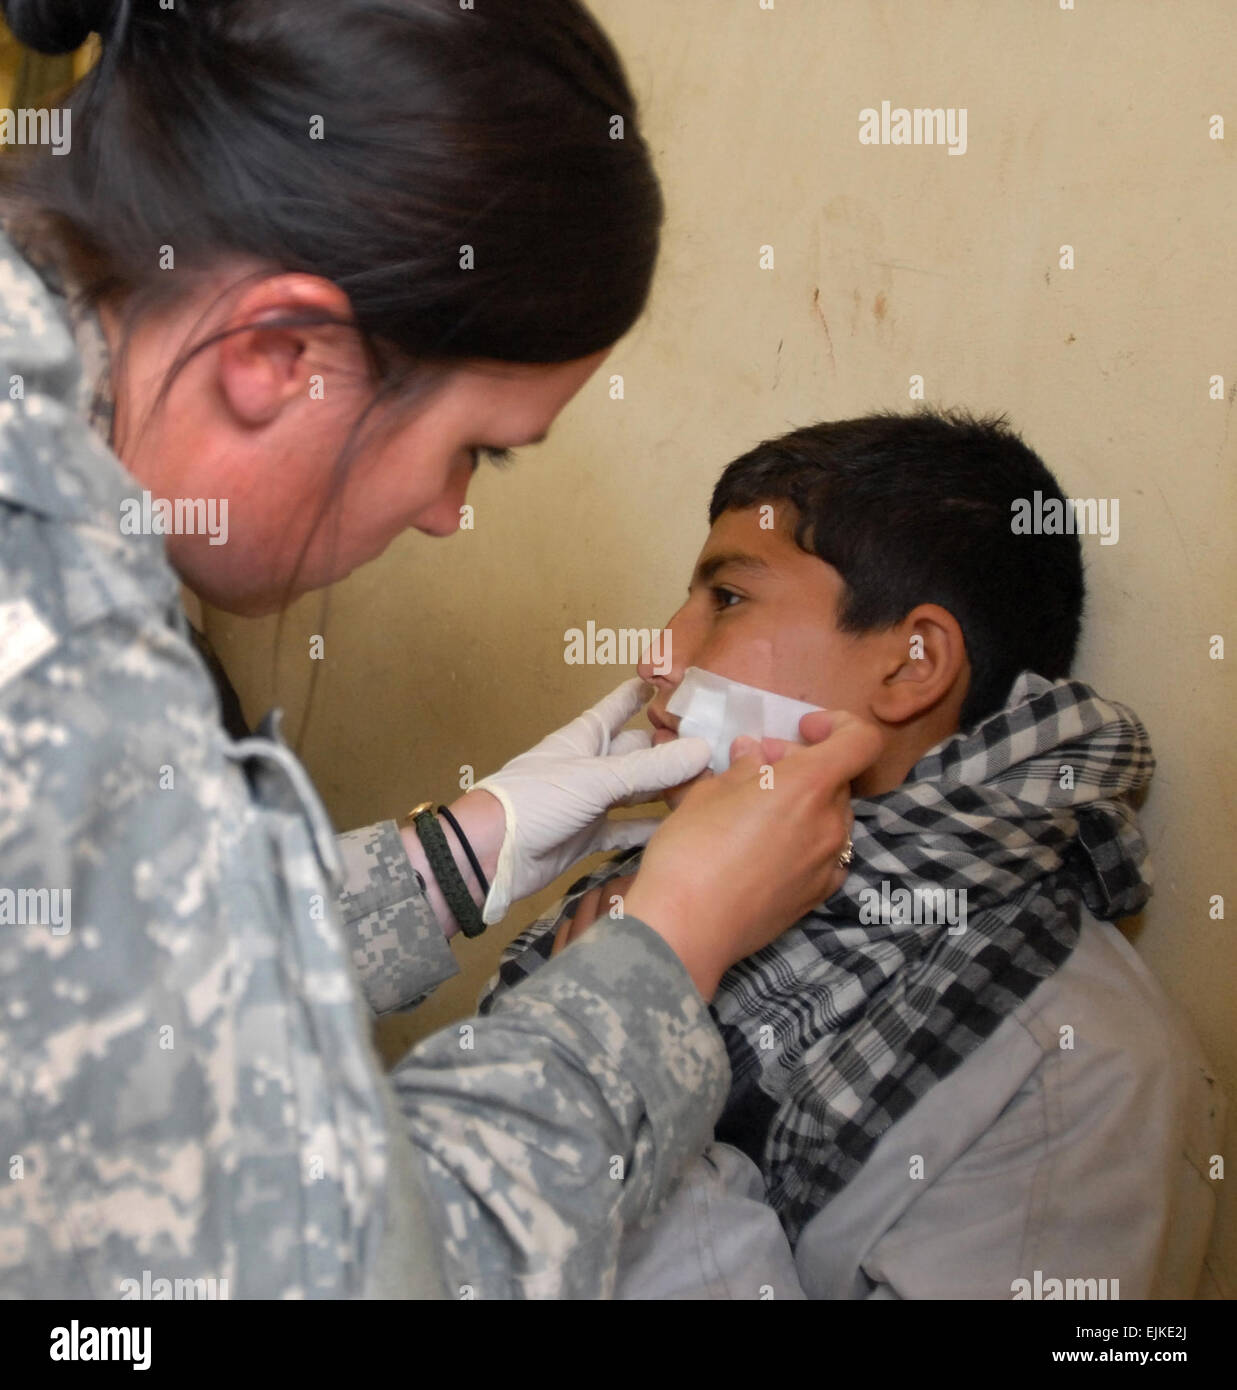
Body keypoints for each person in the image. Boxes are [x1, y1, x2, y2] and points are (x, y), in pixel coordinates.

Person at [0, 0, 881, 1299]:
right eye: (476, 446)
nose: (447, 511)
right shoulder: (63, 646)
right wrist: (668, 944)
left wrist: (475, 846)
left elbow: (109, 991)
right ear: (280, 355)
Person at [480, 409, 1224, 1299]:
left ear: (914, 664)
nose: (657, 657)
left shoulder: (1074, 1072)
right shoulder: (646, 884)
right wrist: (460, 855)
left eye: (725, 598)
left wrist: (633, 1080)